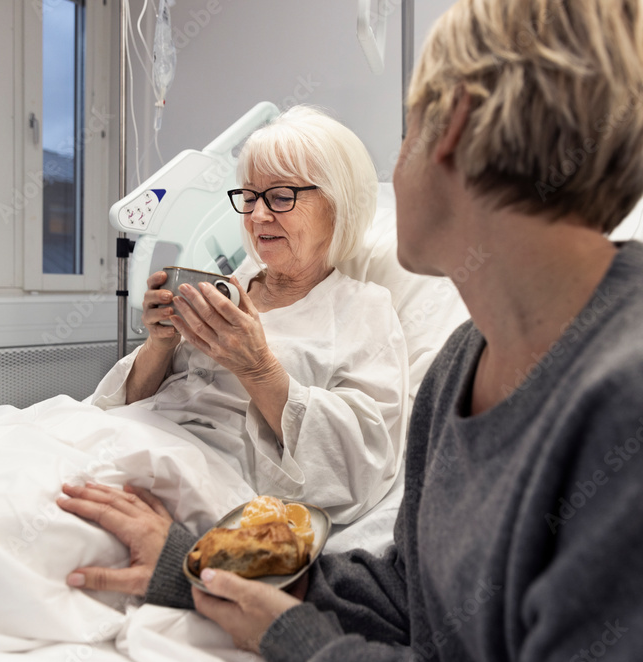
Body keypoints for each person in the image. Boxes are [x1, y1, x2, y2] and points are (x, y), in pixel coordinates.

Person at [61, 0, 643, 662]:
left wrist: (297, 641)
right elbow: (413, 596)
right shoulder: (464, 364)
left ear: (452, 131)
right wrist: (193, 568)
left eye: (407, 127)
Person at [84, 105, 409, 523]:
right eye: (251, 196)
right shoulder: (227, 287)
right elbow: (116, 404)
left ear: (336, 204)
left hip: (200, 475)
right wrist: (160, 344)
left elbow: (361, 462)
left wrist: (257, 369)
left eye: (279, 196)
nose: (257, 216)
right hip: (124, 436)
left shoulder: (363, 310)